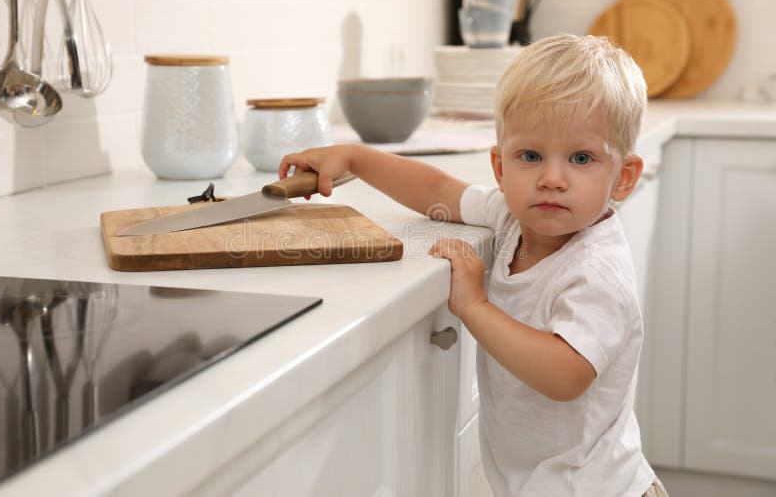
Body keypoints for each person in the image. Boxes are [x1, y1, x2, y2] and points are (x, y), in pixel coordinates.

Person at [278, 34, 668, 497]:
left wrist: (477, 306)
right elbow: (439, 192)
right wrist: (355, 158)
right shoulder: (510, 216)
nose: (551, 178)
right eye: (531, 156)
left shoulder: (596, 268)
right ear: (501, 168)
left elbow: (566, 375)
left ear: (622, 177)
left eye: (581, 158)